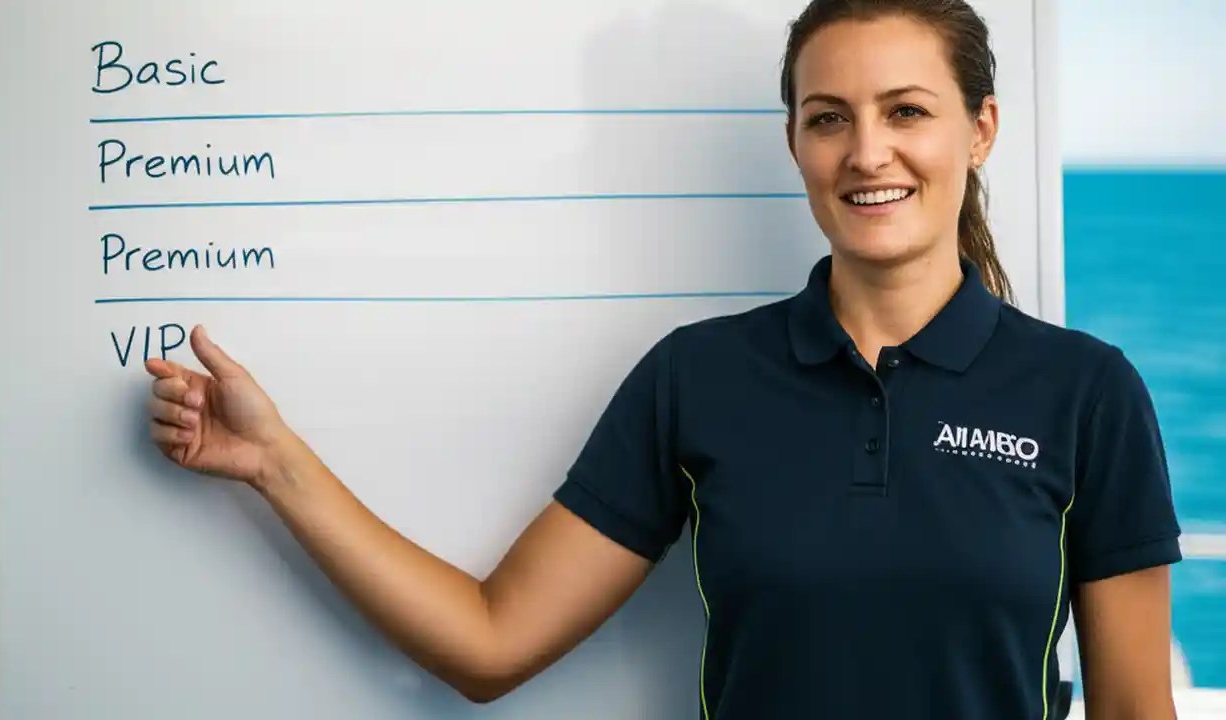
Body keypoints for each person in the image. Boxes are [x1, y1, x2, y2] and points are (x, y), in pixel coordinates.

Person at [144, 1, 1183, 717]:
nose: (866, 152)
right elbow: (488, 642)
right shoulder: (699, 379)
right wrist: (276, 462)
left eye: (905, 111)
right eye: (828, 119)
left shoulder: (1083, 392)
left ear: (979, 129)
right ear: (795, 145)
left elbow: (1134, 709)